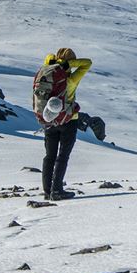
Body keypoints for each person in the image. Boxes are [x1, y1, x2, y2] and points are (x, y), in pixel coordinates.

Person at [41, 47, 92, 201]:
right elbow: (87, 63)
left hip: (49, 119)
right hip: (69, 120)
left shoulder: (46, 73)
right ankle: (57, 191)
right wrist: (68, 64)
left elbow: (48, 60)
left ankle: (47, 191)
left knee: (49, 155)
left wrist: (57, 62)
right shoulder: (71, 79)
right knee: (62, 156)